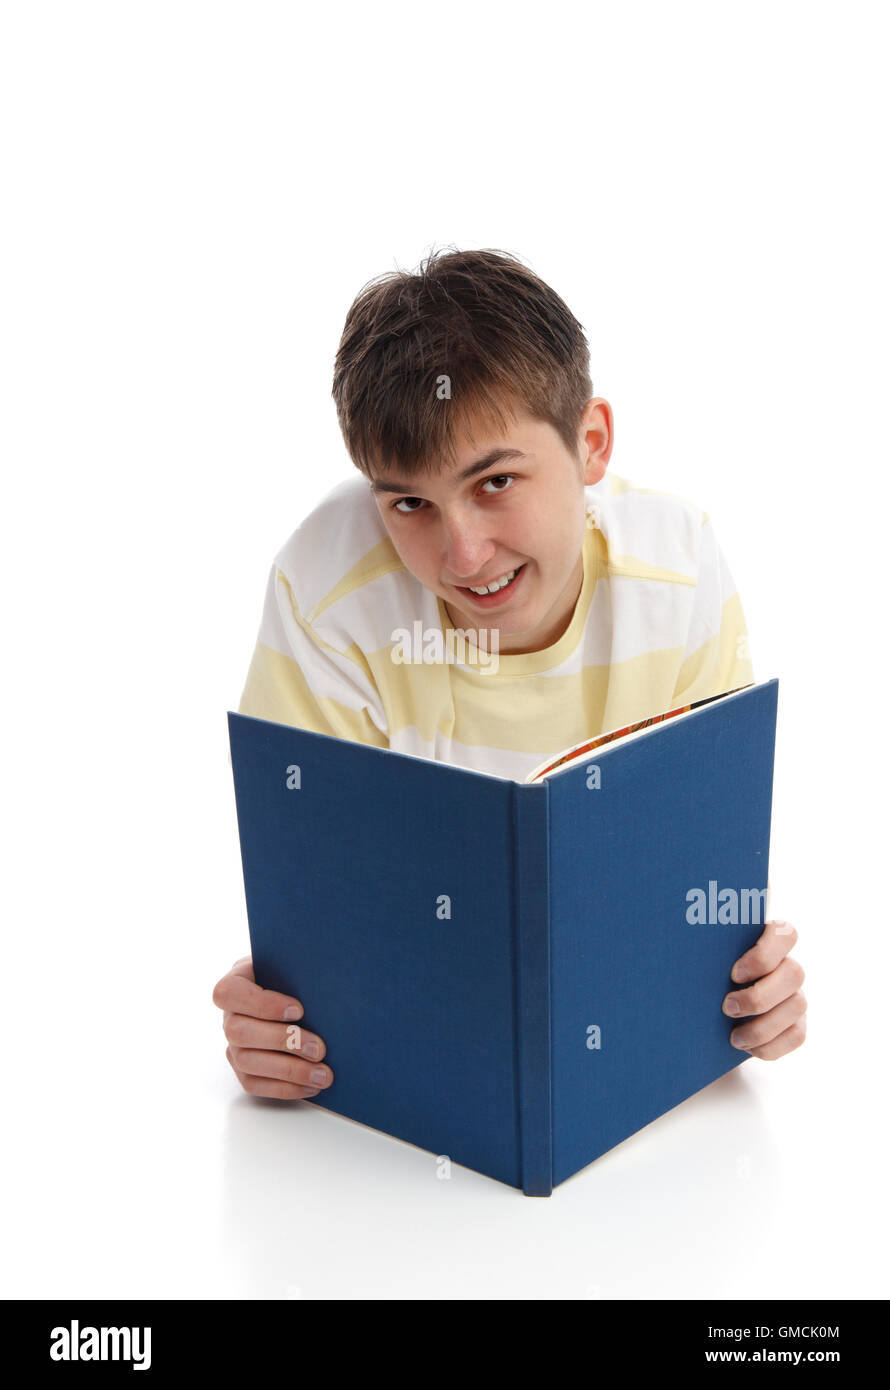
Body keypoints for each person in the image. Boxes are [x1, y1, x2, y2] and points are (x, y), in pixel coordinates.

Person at [212, 248, 806, 1101]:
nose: (462, 555)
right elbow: (322, 907)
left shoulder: (677, 571)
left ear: (591, 443)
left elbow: (693, 879)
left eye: (495, 482)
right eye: (408, 503)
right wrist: (277, 1018)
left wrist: (755, 986)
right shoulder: (324, 590)